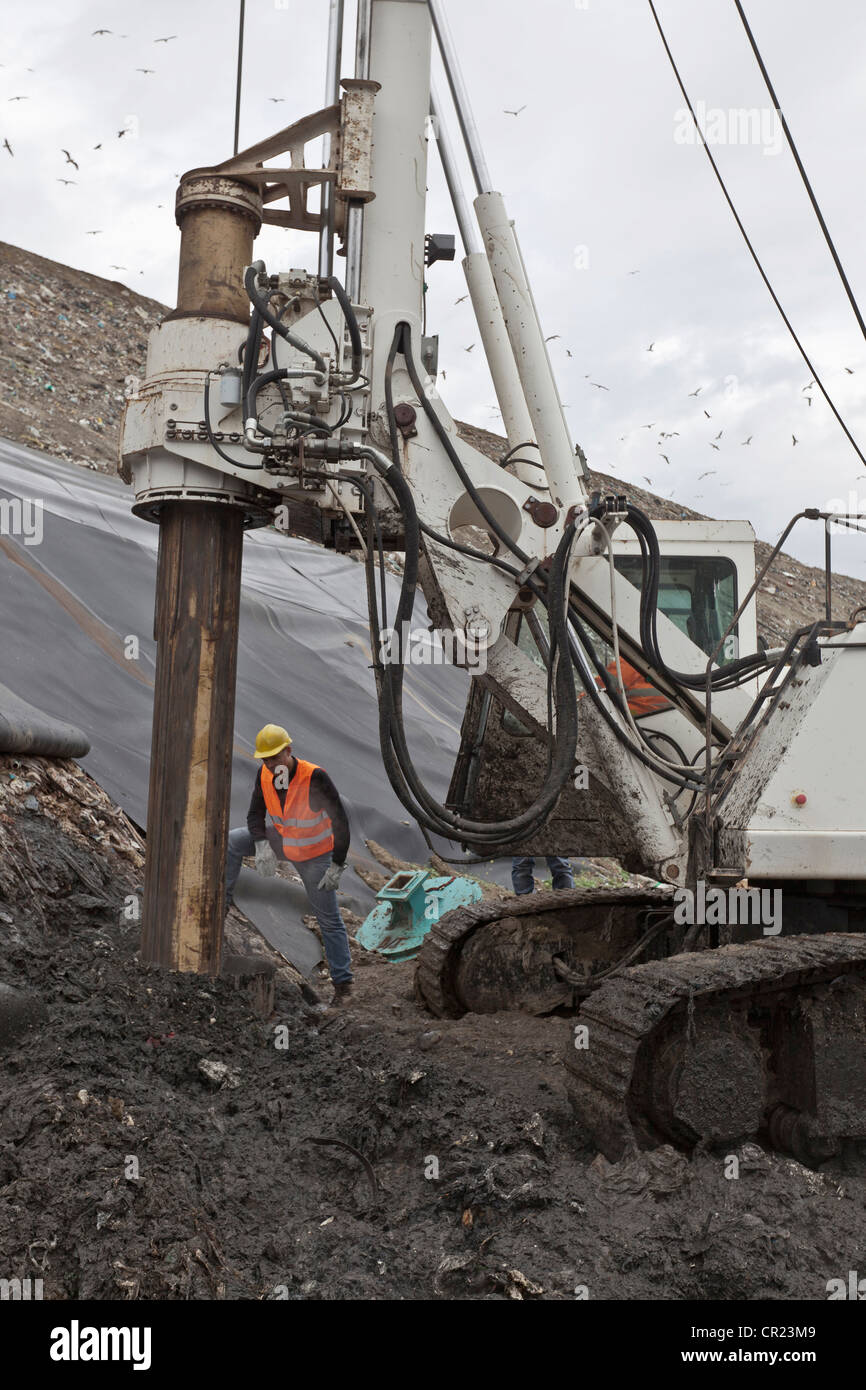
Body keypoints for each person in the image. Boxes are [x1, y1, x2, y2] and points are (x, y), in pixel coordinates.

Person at [226, 724, 354, 1005]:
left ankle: (343, 986)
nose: (270, 765)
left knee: (329, 919)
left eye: (275, 758)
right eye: (265, 760)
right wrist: (261, 845)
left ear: (288, 751)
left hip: (315, 855)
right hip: (284, 842)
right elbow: (254, 815)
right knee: (234, 840)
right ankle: (219, 909)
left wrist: (337, 865)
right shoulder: (265, 775)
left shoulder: (315, 777)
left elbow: (341, 823)